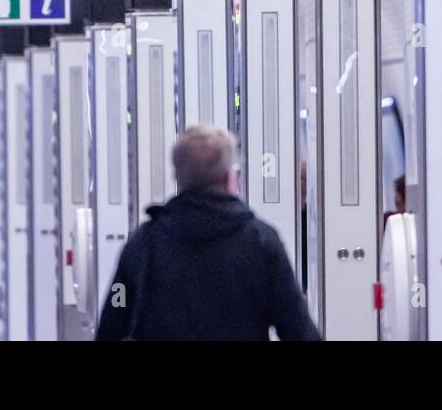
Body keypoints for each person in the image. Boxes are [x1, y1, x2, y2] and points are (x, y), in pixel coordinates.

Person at [96, 126, 320, 341]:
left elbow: (116, 309)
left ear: (177, 176)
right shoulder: (261, 242)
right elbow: (295, 323)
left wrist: (120, 303)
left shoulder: (144, 243)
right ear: (228, 178)